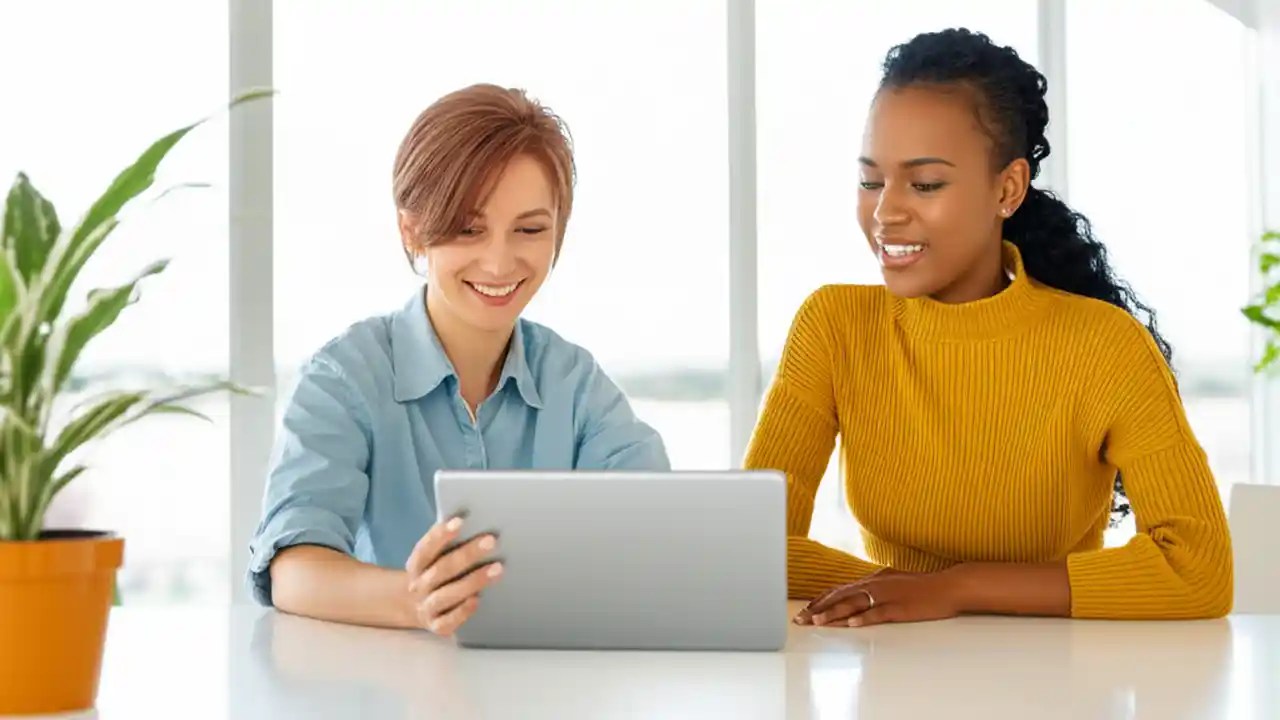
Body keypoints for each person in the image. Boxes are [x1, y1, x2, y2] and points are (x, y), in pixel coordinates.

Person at [745, 28, 1232, 627]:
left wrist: (956, 589)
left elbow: (1199, 571)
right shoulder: (834, 326)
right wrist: (903, 593)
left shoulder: (1105, 346)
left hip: (1058, 681)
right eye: (871, 180)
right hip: (891, 669)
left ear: (1008, 188)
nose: (885, 210)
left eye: (925, 184)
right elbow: (748, 546)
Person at [247, 84, 670, 634]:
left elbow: (660, 533)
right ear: (413, 230)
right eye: (469, 229)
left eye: (530, 229)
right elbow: (292, 570)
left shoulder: (574, 382)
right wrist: (415, 600)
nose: (499, 263)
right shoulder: (346, 376)